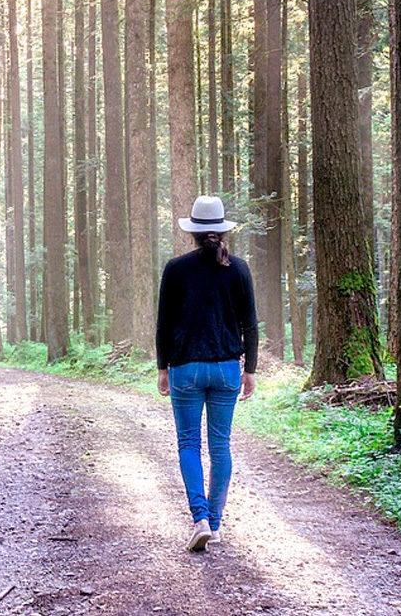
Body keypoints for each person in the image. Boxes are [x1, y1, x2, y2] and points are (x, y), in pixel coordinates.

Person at [154, 195, 257, 552]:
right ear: (222, 230)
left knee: (188, 444)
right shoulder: (239, 269)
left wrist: (162, 367)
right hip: (228, 369)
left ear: (194, 233)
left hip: (186, 368)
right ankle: (214, 523)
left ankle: (199, 518)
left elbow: (163, 324)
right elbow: (250, 325)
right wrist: (251, 371)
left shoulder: (175, 269)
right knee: (221, 446)